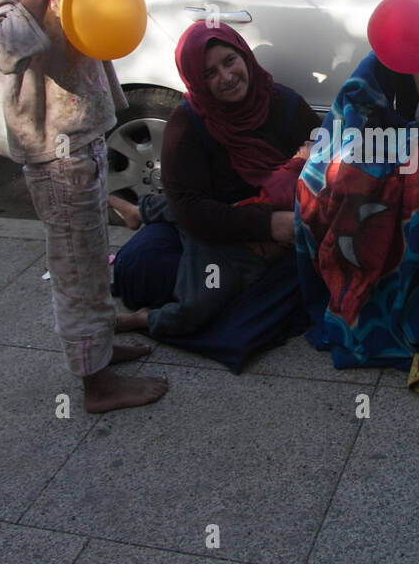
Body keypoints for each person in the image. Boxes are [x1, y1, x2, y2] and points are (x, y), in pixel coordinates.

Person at [0, 0, 167, 413]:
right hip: (52, 151)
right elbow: (5, 48)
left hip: (84, 137)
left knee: (92, 247)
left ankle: (100, 342)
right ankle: (95, 383)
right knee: (77, 266)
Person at [109, 21, 321, 354]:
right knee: (147, 269)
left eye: (229, 61)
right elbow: (190, 208)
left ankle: (142, 211)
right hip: (217, 227)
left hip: (270, 229)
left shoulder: (284, 104)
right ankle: (146, 317)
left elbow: (324, 160)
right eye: (209, 73)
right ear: (195, 79)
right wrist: (267, 224)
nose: (226, 77)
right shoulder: (188, 124)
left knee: (268, 304)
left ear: (244, 55)